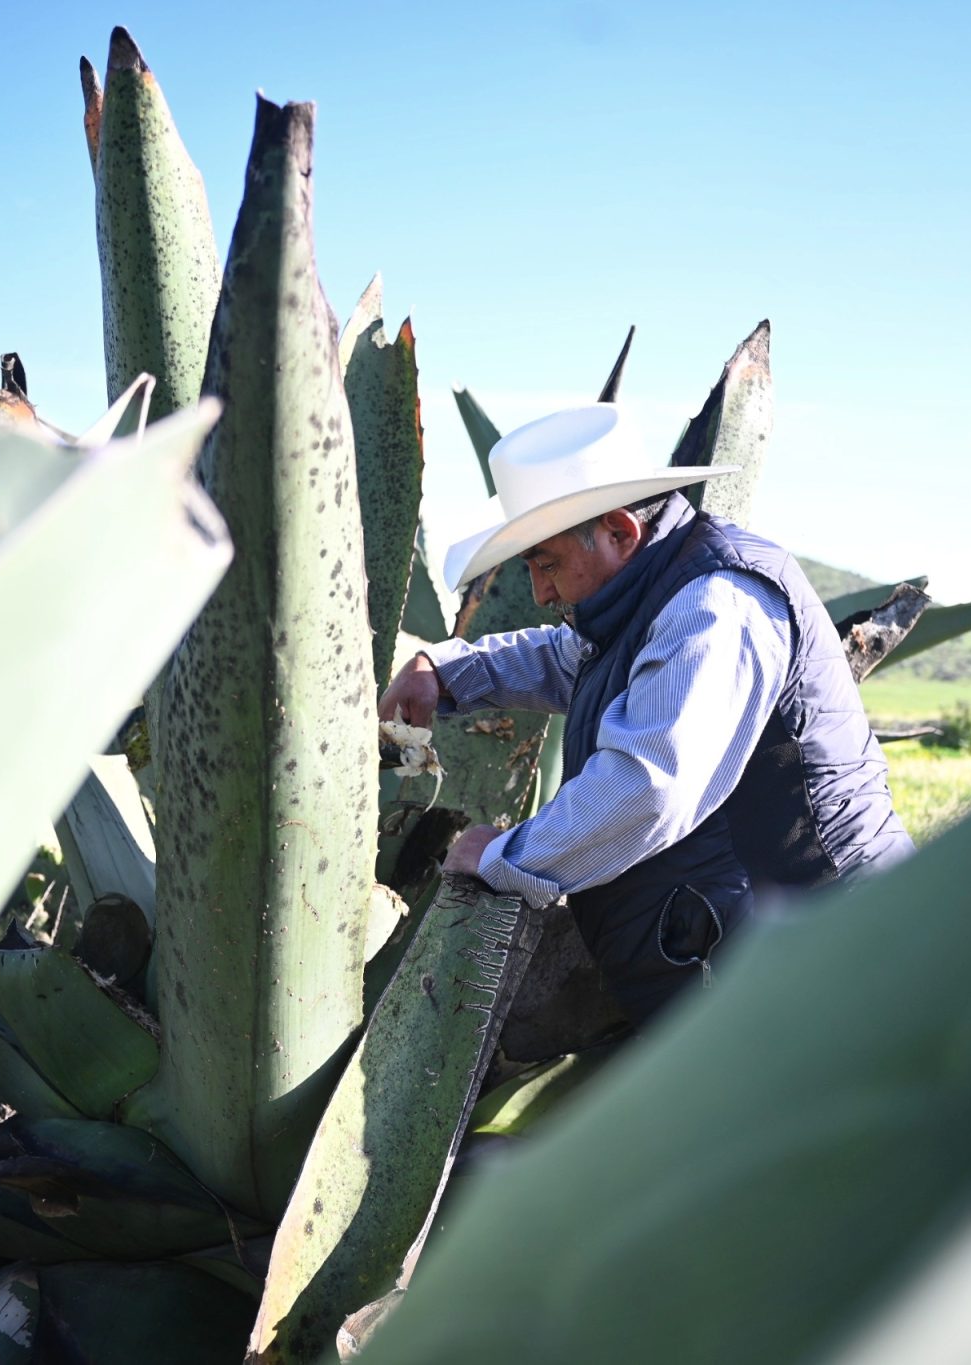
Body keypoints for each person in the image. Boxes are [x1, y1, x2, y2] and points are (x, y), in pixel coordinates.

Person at [380, 403, 912, 1025]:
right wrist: (445, 671)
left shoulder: (715, 606)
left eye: (546, 563)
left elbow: (648, 787)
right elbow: (570, 659)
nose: (540, 593)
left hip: (818, 969)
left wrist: (501, 856)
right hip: (745, 959)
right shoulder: (647, 596)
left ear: (620, 532)